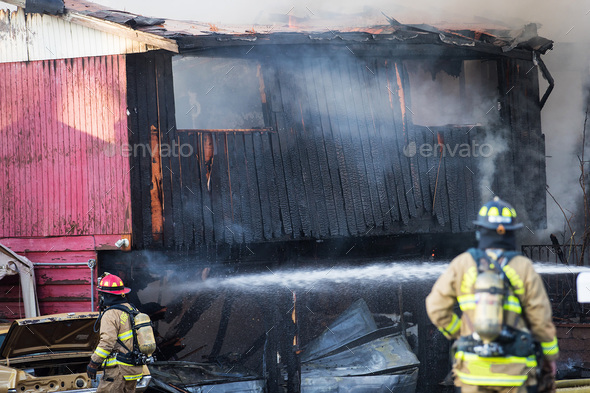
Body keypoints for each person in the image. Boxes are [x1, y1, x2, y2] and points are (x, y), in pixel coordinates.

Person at [426, 197, 559, 393]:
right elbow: (541, 321)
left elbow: (435, 307)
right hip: (516, 374)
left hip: (472, 375)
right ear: (512, 232)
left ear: (481, 232)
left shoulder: (462, 264)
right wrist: (550, 359)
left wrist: (460, 333)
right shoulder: (523, 267)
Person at [87, 273, 144, 392]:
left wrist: (93, 363)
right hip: (133, 369)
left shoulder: (110, 314)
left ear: (105, 295)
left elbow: (107, 343)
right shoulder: (132, 309)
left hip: (118, 370)